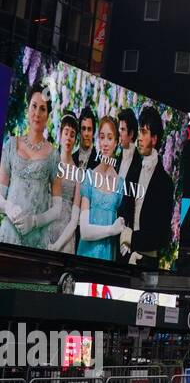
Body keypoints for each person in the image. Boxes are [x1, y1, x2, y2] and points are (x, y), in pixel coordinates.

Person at [0, 85, 61, 250]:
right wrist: (8, 207)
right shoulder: (11, 145)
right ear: (28, 109)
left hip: (36, 241)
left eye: (43, 109)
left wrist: (33, 221)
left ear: (48, 115)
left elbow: (58, 209)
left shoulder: (54, 155)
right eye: (34, 106)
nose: (37, 113)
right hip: (7, 235)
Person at [117, 105, 174, 268]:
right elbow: (124, 212)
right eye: (139, 132)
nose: (139, 138)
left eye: (144, 132)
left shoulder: (165, 183)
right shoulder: (133, 173)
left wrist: (132, 238)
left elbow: (162, 235)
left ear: (154, 139)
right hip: (123, 256)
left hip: (148, 263)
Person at [76, 116, 126, 262]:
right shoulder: (89, 176)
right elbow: (84, 231)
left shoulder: (120, 184)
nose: (105, 143)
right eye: (102, 137)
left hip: (107, 255)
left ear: (116, 142)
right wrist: (111, 230)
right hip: (86, 254)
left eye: (109, 138)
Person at [46, 114, 83, 253]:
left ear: (75, 140)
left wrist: (57, 245)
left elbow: (74, 220)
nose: (68, 137)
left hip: (65, 236)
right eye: (66, 133)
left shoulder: (79, 173)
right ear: (60, 135)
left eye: (72, 135)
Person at [75, 106, 98, 171]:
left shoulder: (99, 161)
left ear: (93, 132)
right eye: (83, 129)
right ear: (79, 131)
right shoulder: (72, 158)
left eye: (89, 129)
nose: (86, 133)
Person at [116, 108, 138, 177]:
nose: (119, 134)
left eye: (122, 129)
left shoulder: (139, 165)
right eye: (119, 129)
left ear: (131, 134)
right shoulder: (117, 157)